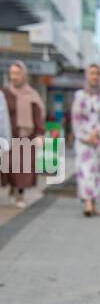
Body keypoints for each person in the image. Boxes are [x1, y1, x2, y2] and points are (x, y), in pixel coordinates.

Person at [71, 64, 100, 217]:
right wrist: (87, 136)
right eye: (92, 73)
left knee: (99, 171)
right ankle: (87, 203)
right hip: (85, 141)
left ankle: (94, 203)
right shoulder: (80, 96)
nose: (94, 76)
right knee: (86, 171)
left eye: (97, 73)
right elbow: (76, 120)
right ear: (87, 75)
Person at [2, 60, 45, 207]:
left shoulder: (32, 95)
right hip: (8, 136)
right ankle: (13, 189)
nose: (14, 77)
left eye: (17, 73)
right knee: (9, 167)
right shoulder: (4, 94)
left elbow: (37, 114)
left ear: (24, 75)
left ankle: (19, 194)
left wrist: (40, 133)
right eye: (12, 73)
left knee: (23, 168)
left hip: (26, 136)